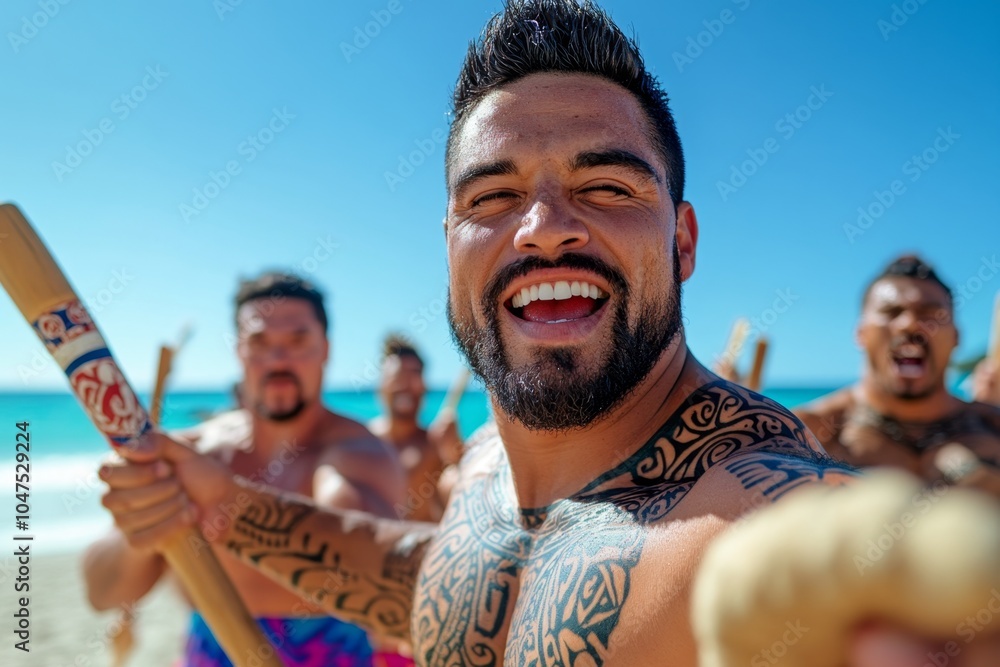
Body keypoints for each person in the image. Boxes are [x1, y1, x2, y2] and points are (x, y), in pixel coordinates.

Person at [95, 2, 1000, 665]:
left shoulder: (737, 509)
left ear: (681, 240)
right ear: (450, 246)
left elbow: (821, 567)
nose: (543, 227)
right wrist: (222, 500)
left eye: (607, 186)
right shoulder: (486, 470)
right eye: (490, 198)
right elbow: (438, 586)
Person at [83, 272, 407, 666]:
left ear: (326, 349)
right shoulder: (195, 450)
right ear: (238, 349)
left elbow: (375, 576)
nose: (278, 359)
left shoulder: (359, 454)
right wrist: (144, 523)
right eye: (260, 341)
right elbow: (102, 592)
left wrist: (223, 500)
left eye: (297, 340)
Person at [795, 255, 1000, 495]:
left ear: (956, 337)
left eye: (930, 314)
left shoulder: (992, 427)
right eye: (891, 312)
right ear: (861, 333)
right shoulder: (808, 434)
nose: (910, 324)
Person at [369, 335, 463, 522]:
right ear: (381, 386)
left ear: (424, 388)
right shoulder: (360, 440)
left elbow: (472, 492)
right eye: (397, 377)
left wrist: (455, 455)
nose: (406, 386)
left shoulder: (436, 445)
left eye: (414, 376)